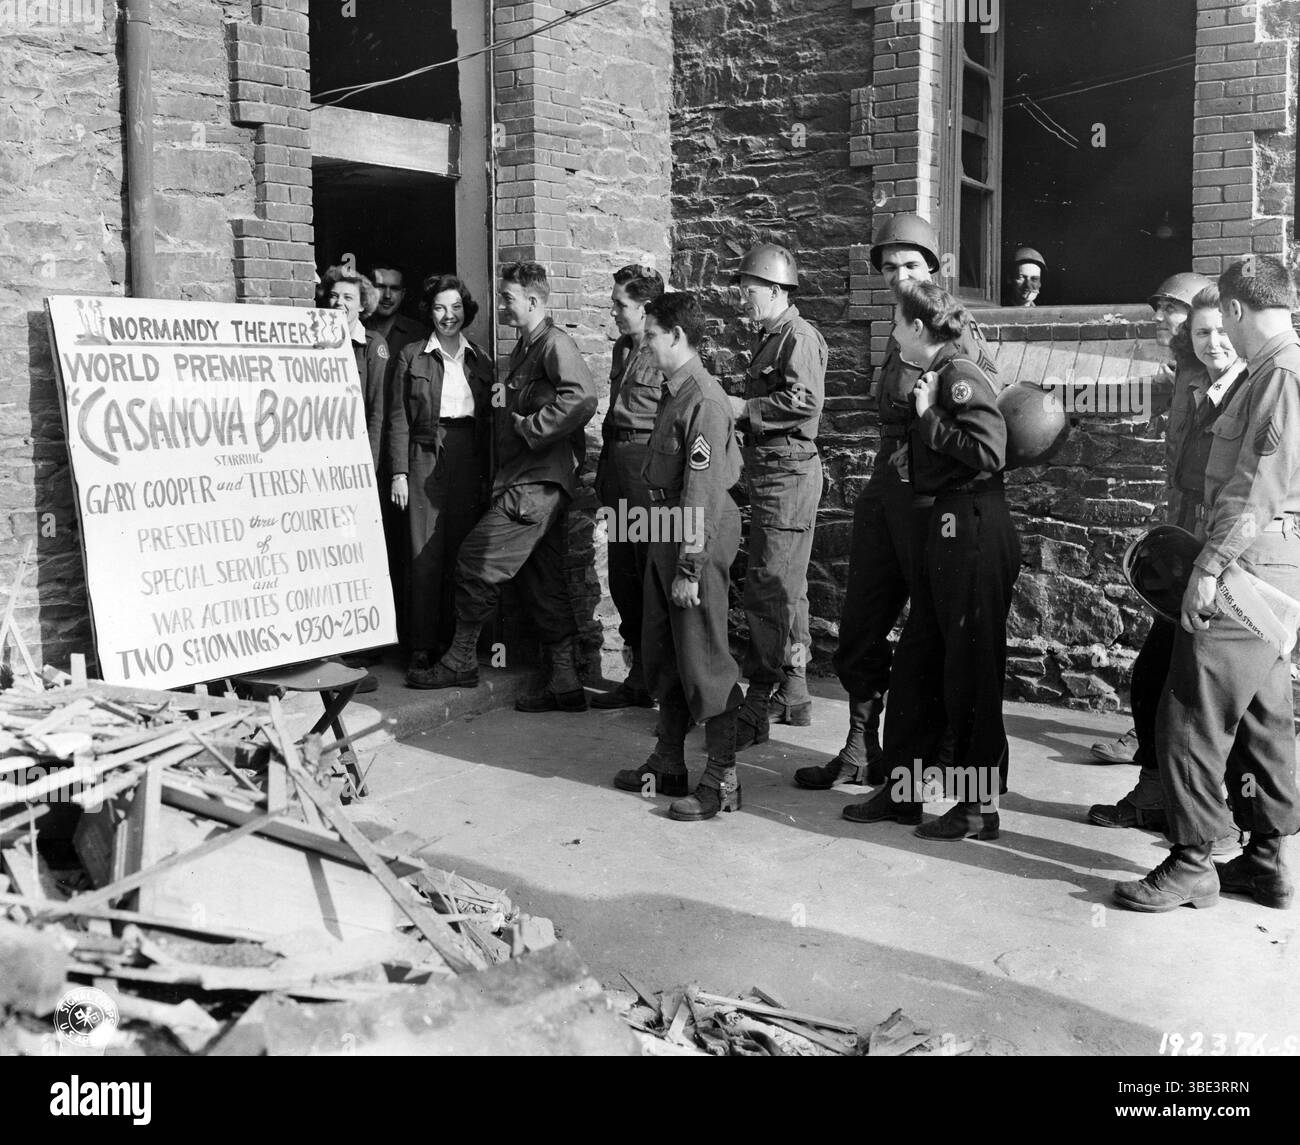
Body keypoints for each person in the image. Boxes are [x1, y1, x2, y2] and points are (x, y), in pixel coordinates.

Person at [1115, 256, 1300, 912]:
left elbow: (1256, 488)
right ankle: (1268, 861)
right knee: (1262, 716)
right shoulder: (1275, 372)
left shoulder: (1276, 374)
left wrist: (1210, 569)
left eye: (1224, 317)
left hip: (1247, 571)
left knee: (1190, 709)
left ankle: (1193, 859)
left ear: (1238, 311)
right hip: (1274, 575)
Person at [795, 214, 997, 791]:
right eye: (889, 268)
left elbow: (980, 430)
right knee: (861, 619)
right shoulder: (900, 330)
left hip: (933, 501)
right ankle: (861, 746)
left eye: (911, 265)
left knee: (931, 630)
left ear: (936, 270)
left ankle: (933, 757)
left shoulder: (958, 335)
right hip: (887, 490)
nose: (899, 276)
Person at [842, 280, 1018, 839]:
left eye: (897, 324)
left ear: (919, 329)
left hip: (974, 529)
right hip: (948, 529)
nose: (893, 335)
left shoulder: (958, 376)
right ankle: (903, 792)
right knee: (919, 663)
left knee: (970, 671)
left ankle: (976, 808)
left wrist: (927, 418)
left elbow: (990, 453)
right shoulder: (937, 373)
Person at [1089, 283, 1247, 852]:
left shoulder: (1257, 388)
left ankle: (1224, 828)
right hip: (1187, 550)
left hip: (1226, 561)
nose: (1212, 343)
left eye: (1220, 332)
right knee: (1155, 678)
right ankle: (1159, 796)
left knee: (1209, 696)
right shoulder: (1191, 381)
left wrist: (1215, 559)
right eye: (1200, 333)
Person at [421, 262, 598, 712]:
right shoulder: (524, 348)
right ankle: (565, 683)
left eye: (508, 297)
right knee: (544, 581)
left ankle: (460, 660)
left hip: (535, 486)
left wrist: (533, 428)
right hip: (527, 482)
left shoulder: (554, 344)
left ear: (534, 301)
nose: (500, 303)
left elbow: (583, 398)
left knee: (474, 561)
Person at [610, 292, 745, 821]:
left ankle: (723, 780)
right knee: (663, 647)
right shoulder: (676, 392)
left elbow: (702, 492)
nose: (644, 346)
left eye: (650, 337)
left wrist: (689, 567)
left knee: (704, 655)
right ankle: (668, 760)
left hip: (695, 534)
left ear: (675, 337)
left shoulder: (704, 401)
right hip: (665, 527)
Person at [1089, 272, 1212, 766]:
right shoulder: (1179, 374)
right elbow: (1128, 395)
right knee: (1165, 661)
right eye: (1157, 307)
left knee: (1170, 662)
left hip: (1205, 542)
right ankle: (1154, 765)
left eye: (1171, 309)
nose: (1159, 317)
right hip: (1182, 530)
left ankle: (1159, 773)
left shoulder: (1216, 377)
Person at [726, 243, 826, 750]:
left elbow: (805, 400)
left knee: (768, 586)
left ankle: (759, 702)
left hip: (787, 474)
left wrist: (744, 407)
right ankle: (795, 688)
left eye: (750, 292)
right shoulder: (774, 336)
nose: (745, 300)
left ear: (777, 290)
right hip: (776, 473)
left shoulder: (797, 338)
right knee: (790, 584)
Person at [389, 275, 494, 688]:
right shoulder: (411, 356)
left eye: (455, 308)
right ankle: (421, 647)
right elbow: (398, 417)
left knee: (461, 553)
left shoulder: (481, 360)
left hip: (467, 456)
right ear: (428, 311)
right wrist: (399, 471)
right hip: (423, 454)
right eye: (438, 308)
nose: (447, 316)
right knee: (423, 555)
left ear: (466, 311)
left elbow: (490, 419)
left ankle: (458, 649)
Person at [590, 265, 667, 710]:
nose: (614, 311)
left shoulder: (664, 352)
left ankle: (656, 679)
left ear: (646, 307)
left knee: (646, 571)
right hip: (619, 464)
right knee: (622, 573)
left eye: (620, 304)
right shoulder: (622, 349)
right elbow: (613, 414)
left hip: (645, 469)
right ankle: (638, 673)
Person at [321, 264, 389, 692]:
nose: (338, 303)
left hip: (358, 468)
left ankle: (352, 657)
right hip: (321, 467)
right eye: (333, 296)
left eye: (347, 298)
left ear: (362, 306)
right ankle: (332, 653)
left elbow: (378, 412)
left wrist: (370, 470)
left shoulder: (374, 347)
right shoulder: (315, 341)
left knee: (354, 559)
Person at [365, 261, 432, 361]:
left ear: (403, 294)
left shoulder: (419, 334)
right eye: (381, 287)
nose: (387, 295)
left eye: (394, 289)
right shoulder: (355, 328)